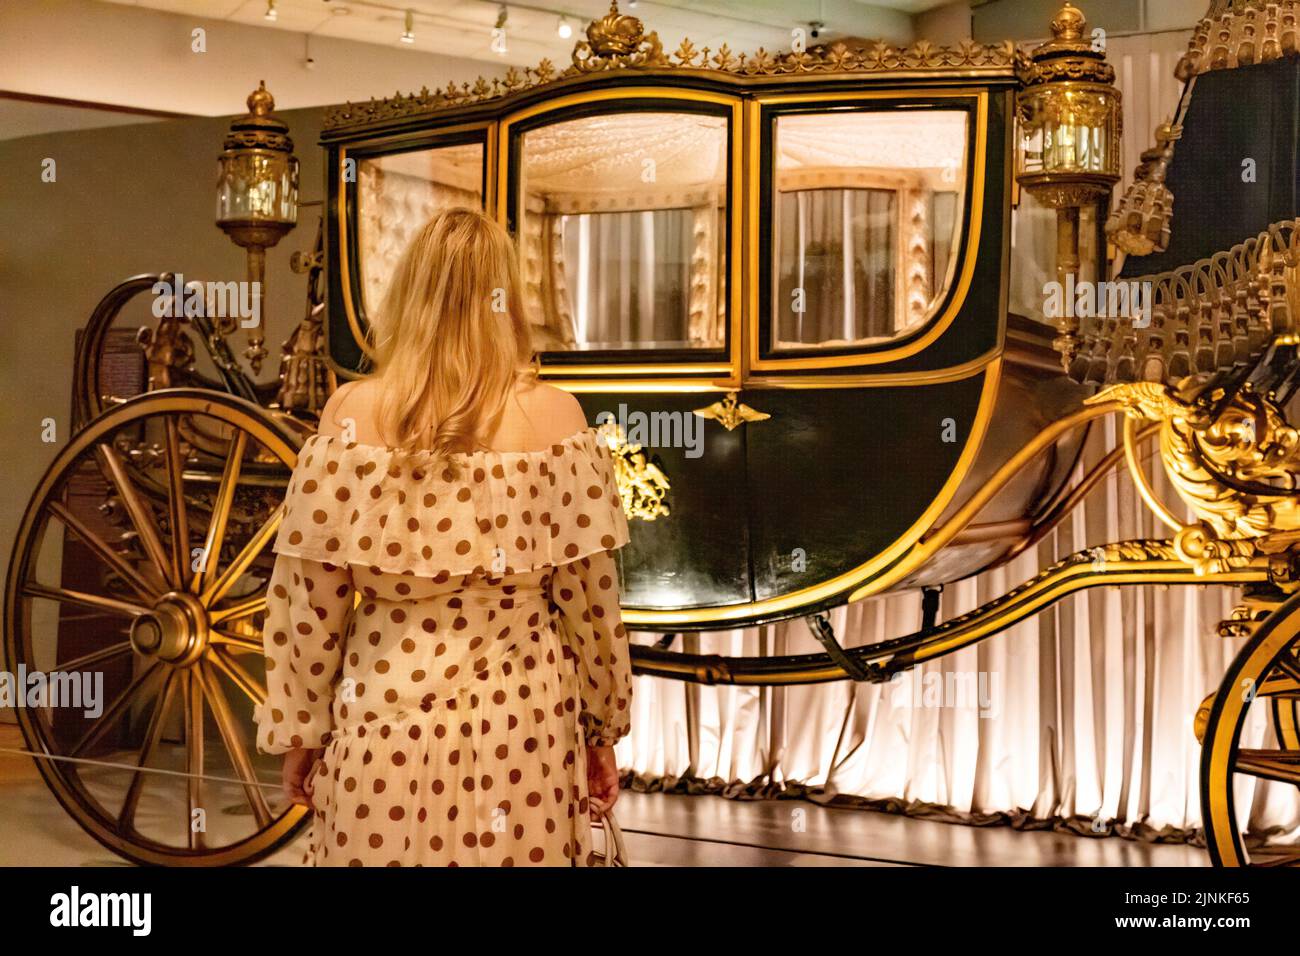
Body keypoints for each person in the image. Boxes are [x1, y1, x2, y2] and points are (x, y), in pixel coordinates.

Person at [254, 207, 632, 866]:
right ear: (506, 301)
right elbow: (592, 606)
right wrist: (603, 729)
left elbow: (309, 608)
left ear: (409, 295)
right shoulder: (556, 419)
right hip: (526, 718)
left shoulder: (351, 416)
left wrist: (302, 731)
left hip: (381, 709)